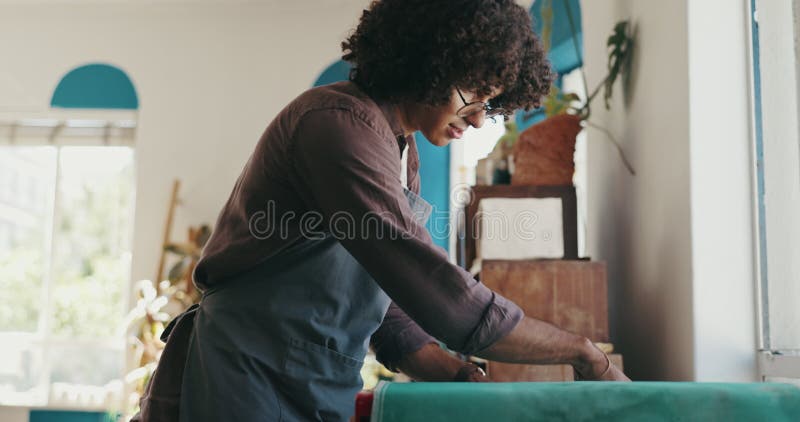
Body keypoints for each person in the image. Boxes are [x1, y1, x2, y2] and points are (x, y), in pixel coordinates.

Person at [133, 1, 629, 421]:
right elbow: (438, 293)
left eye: (490, 103)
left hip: (309, 383)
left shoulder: (400, 149)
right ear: (426, 60)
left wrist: (460, 376)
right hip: (244, 377)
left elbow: (388, 312)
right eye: (471, 94)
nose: (479, 118)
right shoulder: (336, 126)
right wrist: (580, 351)